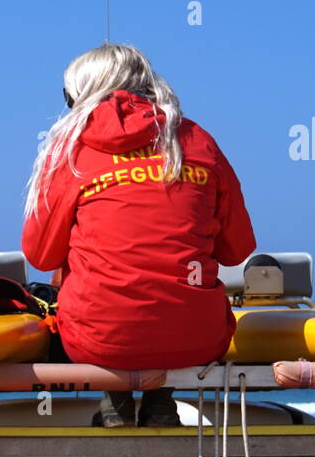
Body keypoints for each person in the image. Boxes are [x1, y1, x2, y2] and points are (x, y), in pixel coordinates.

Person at [21, 43, 256, 427]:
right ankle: (160, 399)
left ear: (77, 94)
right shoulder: (197, 140)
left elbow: (41, 255)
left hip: (95, 340)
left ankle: (115, 396)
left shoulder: (71, 151)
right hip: (197, 339)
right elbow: (237, 250)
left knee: (77, 259)